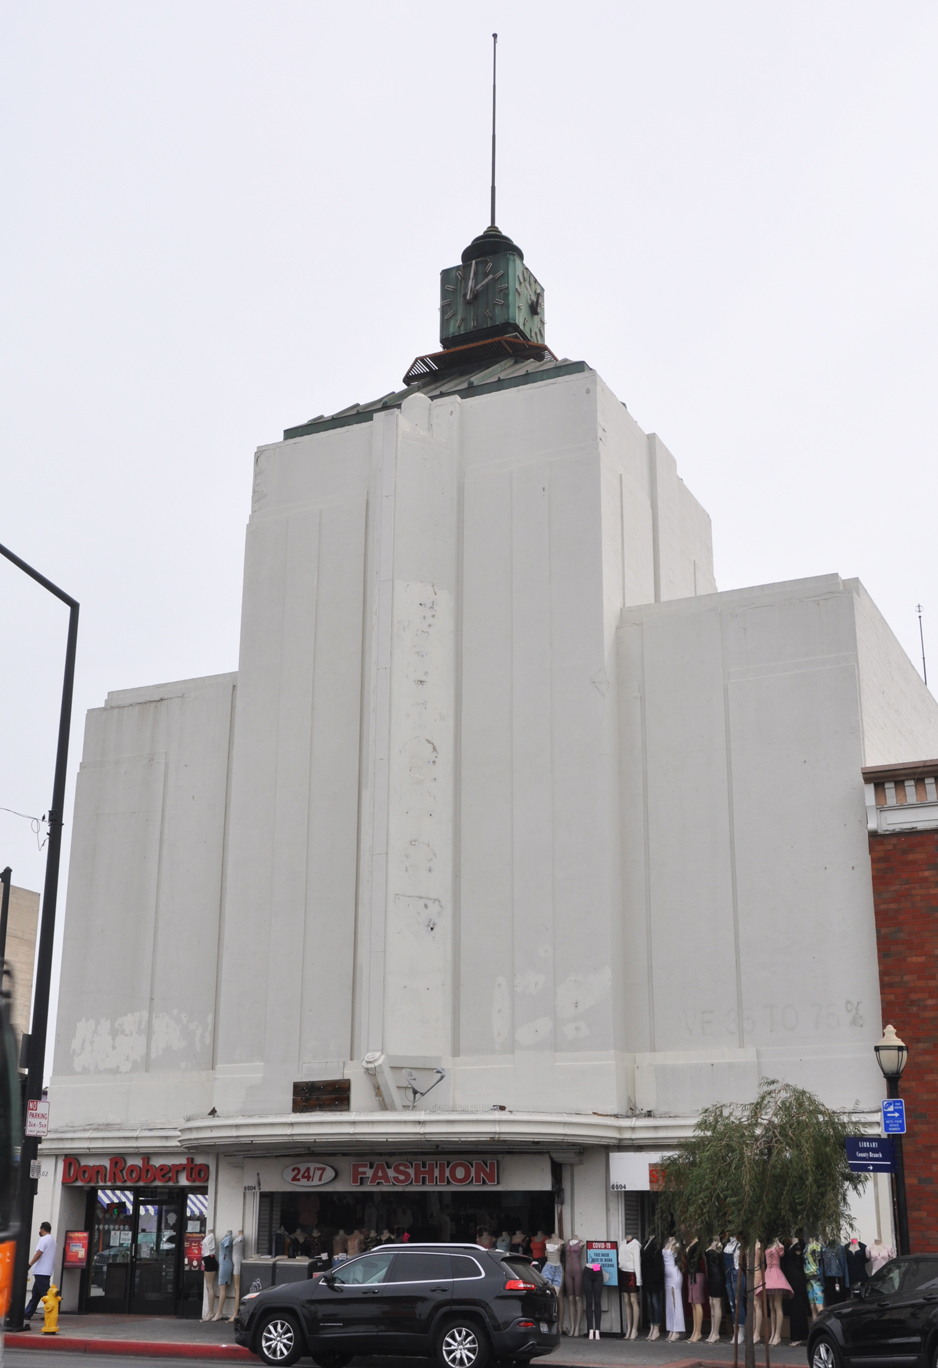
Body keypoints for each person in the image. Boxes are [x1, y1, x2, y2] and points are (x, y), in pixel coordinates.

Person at [24, 1222, 56, 1324]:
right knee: (36, 1294)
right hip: (46, 1271)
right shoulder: (52, 1241)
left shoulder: (43, 1239)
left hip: (41, 1271)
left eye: (40, 1229)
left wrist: (29, 1265)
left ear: (42, 1229)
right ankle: (27, 1313)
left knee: (46, 1294)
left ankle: (51, 1312)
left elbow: (38, 1253)